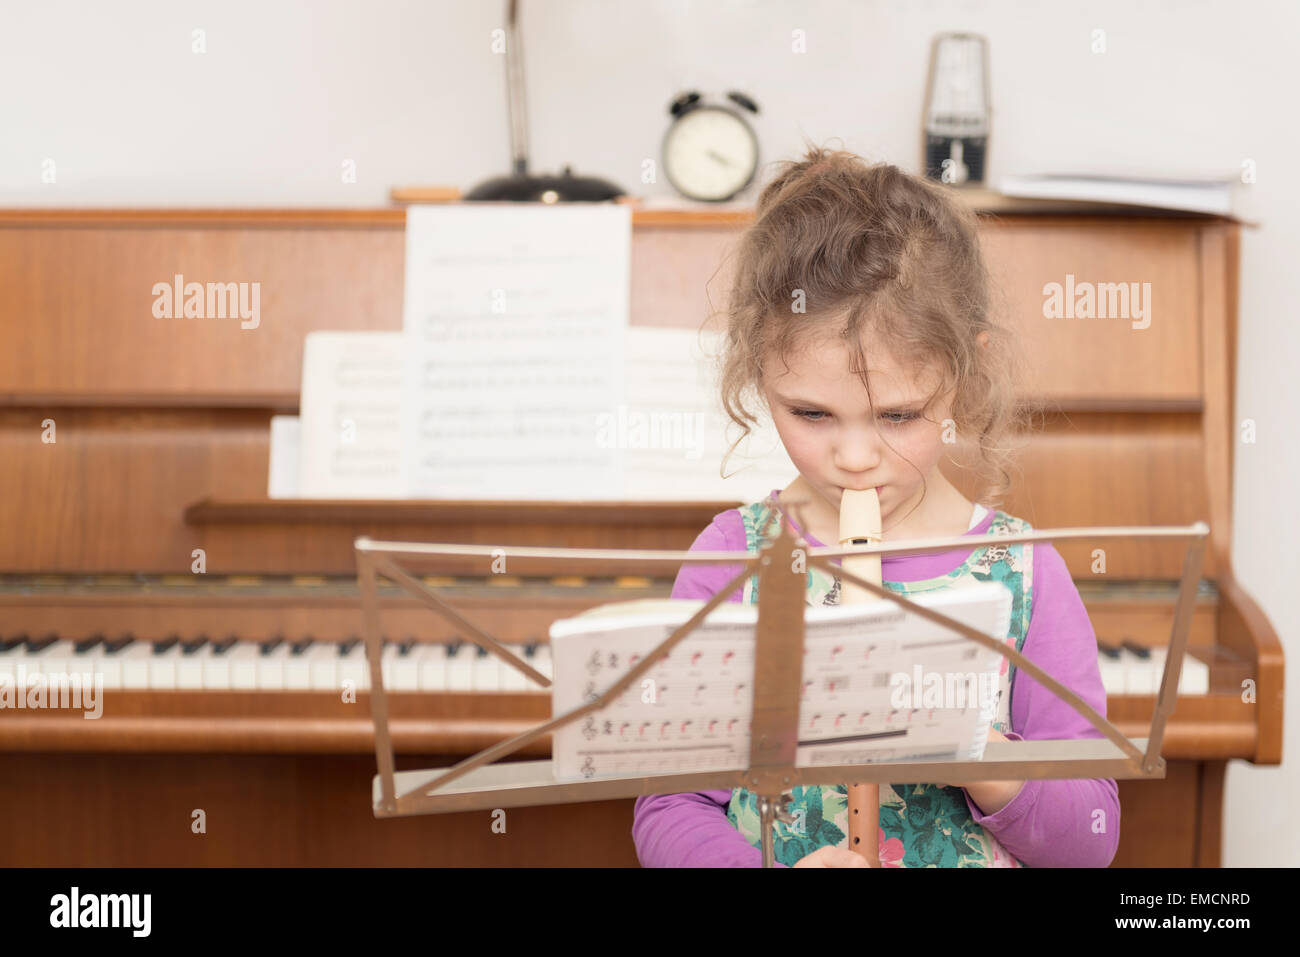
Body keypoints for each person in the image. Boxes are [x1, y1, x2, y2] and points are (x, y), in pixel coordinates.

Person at [632, 144, 1119, 868]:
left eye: (897, 416)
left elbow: (1091, 842)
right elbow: (671, 808)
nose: (855, 457)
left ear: (964, 372)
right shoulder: (733, 558)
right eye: (811, 412)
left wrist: (974, 749)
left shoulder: (1022, 569)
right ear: (759, 369)